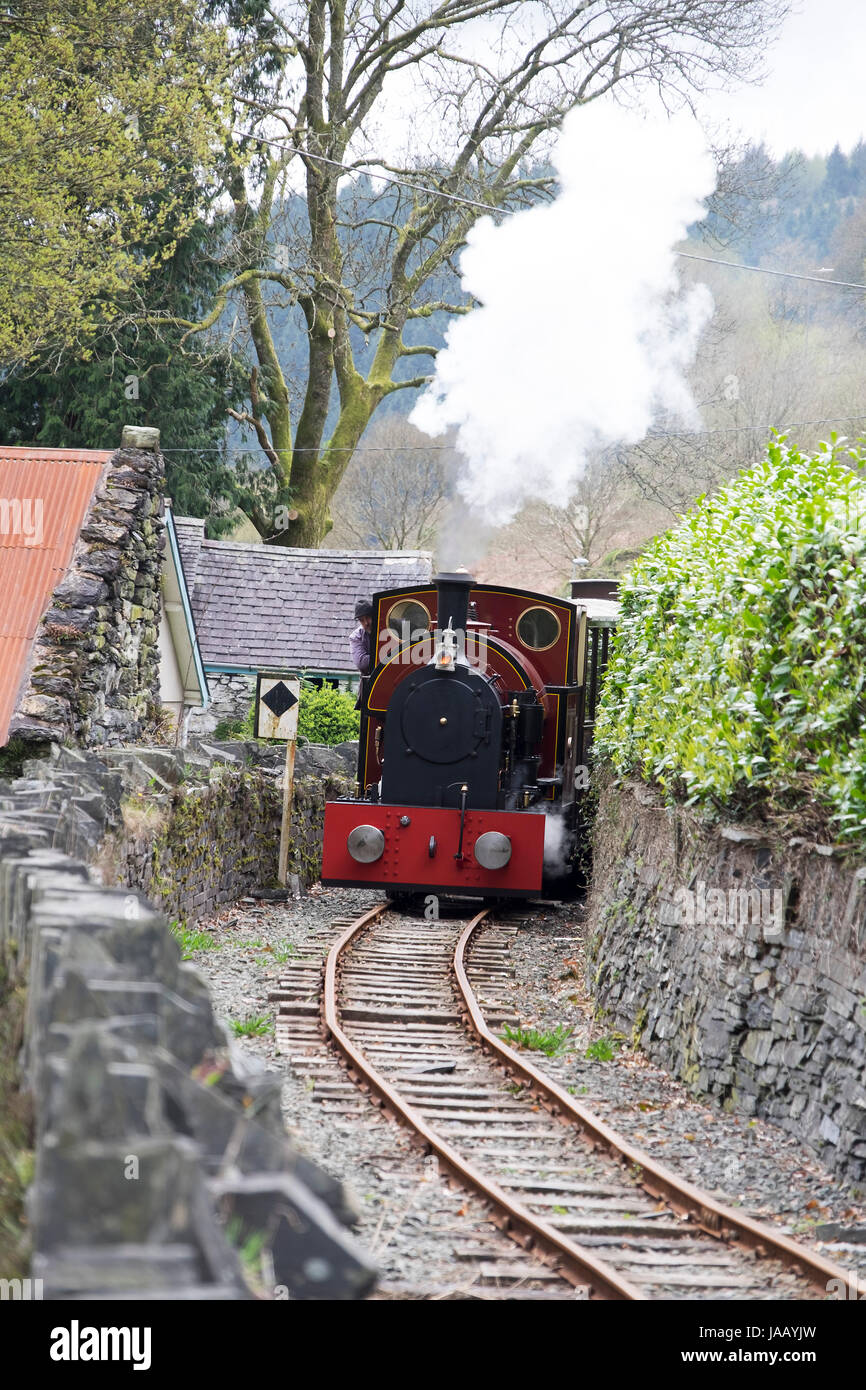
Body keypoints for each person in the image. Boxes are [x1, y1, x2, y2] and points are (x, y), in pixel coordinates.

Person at [350, 598, 373, 675]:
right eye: (361, 620)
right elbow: (361, 663)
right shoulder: (356, 636)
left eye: (368, 617)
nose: (366, 623)